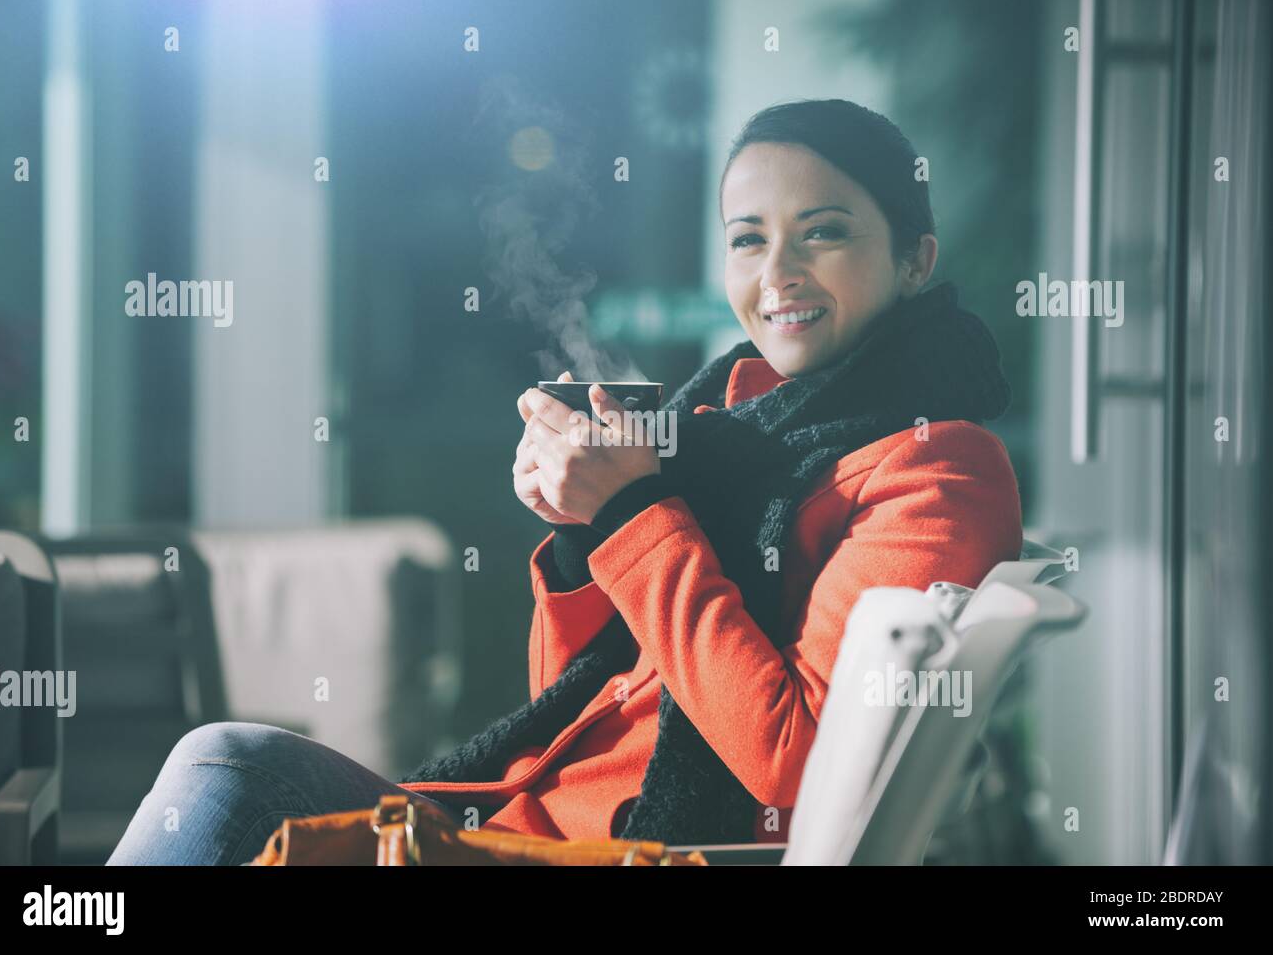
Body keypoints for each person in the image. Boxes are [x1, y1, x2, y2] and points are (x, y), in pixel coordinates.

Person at [107, 98, 1021, 864]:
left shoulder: (936, 464)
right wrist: (585, 536)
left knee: (229, 771)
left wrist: (630, 512)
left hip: (639, 851)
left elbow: (801, 759)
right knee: (228, 773)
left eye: (822, 234)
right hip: (538, 818)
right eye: (748, 240)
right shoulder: (731, 425)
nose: (776, 273)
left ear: (914, 260)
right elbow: (577, 694)